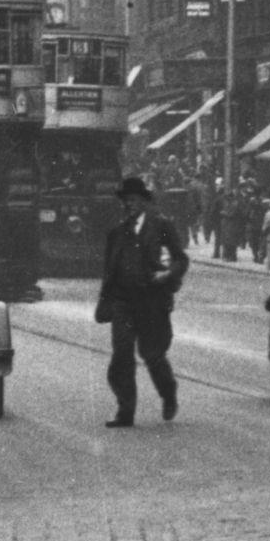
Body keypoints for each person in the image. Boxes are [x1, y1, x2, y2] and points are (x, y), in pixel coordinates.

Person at [97, 174, 190, 425]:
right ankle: (125, 411)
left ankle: (168, 393)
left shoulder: (161, 226)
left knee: (153, 355)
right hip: (123, 302)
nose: (129, 204)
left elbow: (181, 259)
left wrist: (167, 274)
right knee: (122, 354)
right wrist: (106, 301)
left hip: (151, 300)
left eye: (133, 200)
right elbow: (109, 270)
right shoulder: (117, 232)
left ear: (144, 201)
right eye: (126, 200)